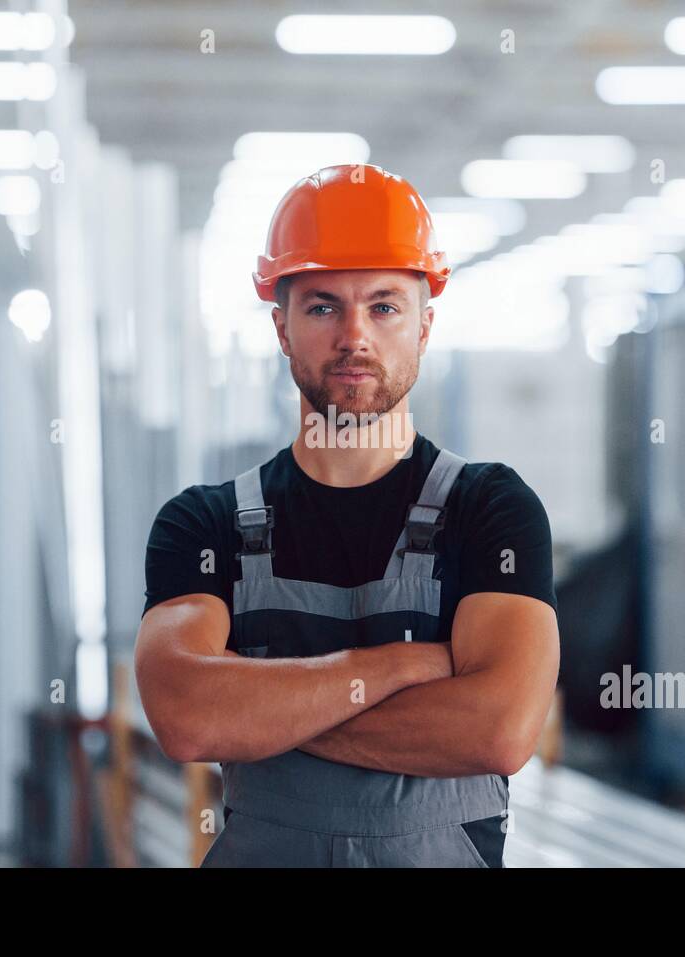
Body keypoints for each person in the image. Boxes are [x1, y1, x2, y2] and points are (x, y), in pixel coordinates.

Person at [135, 163, 560, 867]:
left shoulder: (491, 511)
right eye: (323, 305)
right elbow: (186, 716)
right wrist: (398, 665)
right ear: (281, 327)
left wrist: (258, 706)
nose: (354, 336)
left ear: (425, 325)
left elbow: (499, 731)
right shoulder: (204, 525)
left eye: (385, 306)